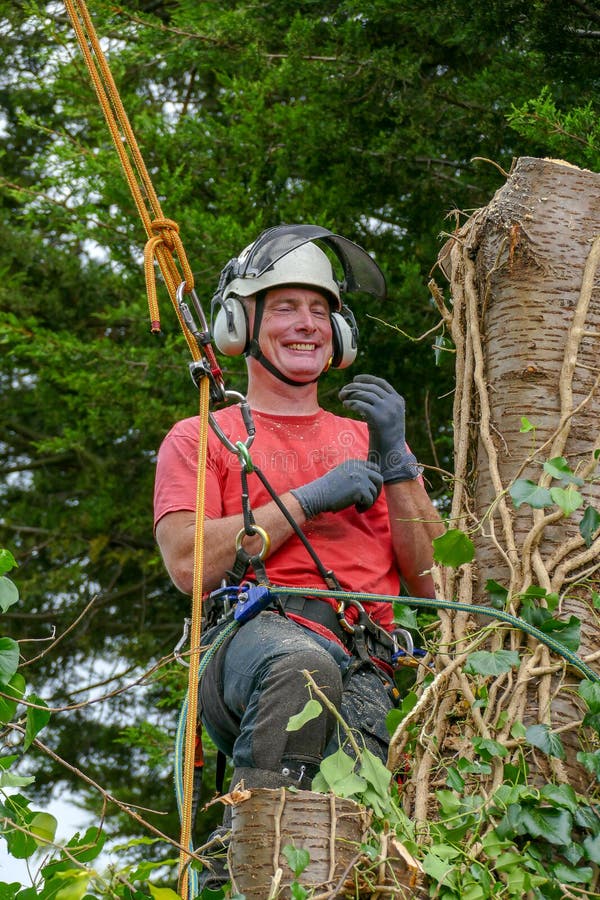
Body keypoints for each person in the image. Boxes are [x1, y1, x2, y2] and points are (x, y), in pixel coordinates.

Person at [153, 224, 443, 884]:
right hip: (256, 641)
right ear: (239, 323)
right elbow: (188, 565)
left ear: (340, 337)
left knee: (357, 829)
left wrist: (397, 460)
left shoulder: (365, 439)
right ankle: (256, 876)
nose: (307, 324)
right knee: (303, 667)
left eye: (321, 311)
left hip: (365, 656)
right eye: (286, 306)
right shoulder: (204, 436)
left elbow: (437, 582)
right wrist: (306, 500)